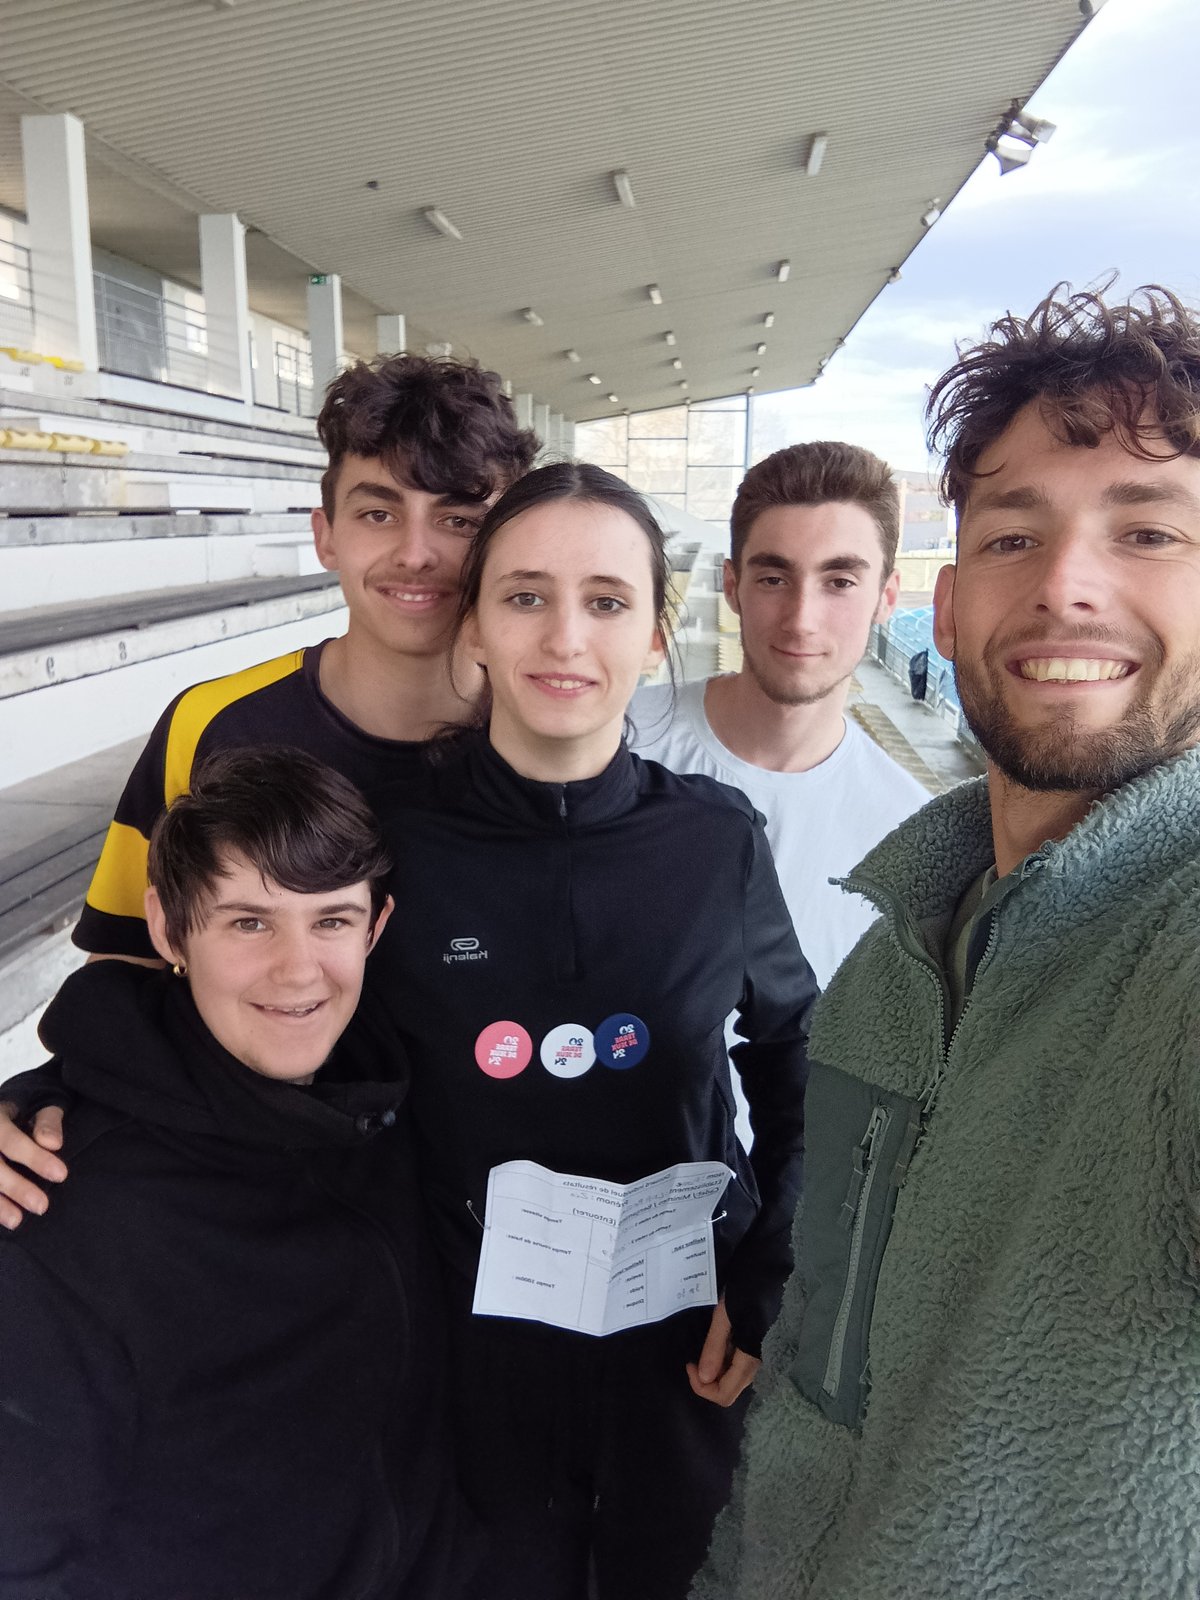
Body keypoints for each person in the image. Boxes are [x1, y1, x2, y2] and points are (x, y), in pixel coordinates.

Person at [691, 283, 1200, 1600]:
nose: (1069, 586)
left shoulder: (1173, 951)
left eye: (1148, 532)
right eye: (1016, 535)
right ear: (953, 597)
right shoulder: (892, 957)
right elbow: (817, 1368)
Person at [357, 461, 817, 1600]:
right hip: (472, 1349)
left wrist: (771, 1272)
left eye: (607, 600)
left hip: (687, 1340)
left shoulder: (713, 839)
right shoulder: (391, 845)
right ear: (472, 625)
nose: (566, 635)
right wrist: (70, 1095)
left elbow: (800, 1049)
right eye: (524, 595)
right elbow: (270, 1019)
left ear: (658, 633)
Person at [0, 353, 537, 1223]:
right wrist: (39, 1096)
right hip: (264, 1200)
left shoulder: (543, 740)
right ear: (325, 532)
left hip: (489, 1193)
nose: (417, 552)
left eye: (460, 518)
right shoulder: (211, 726)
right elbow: (131, 963)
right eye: (377, 511)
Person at [0, 746, 471, 1598]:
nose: (298, 971)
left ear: (377, 928)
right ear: (168, 929)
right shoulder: (55, 1204)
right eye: (249, 922)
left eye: (330, 920)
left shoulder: (392, 1102)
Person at [629, 441, 929, 989]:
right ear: (731, 585)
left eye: (839, 582)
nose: (802, 620)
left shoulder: (911, 837)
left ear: (886, 598)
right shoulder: (616, 740)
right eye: (774, 578)